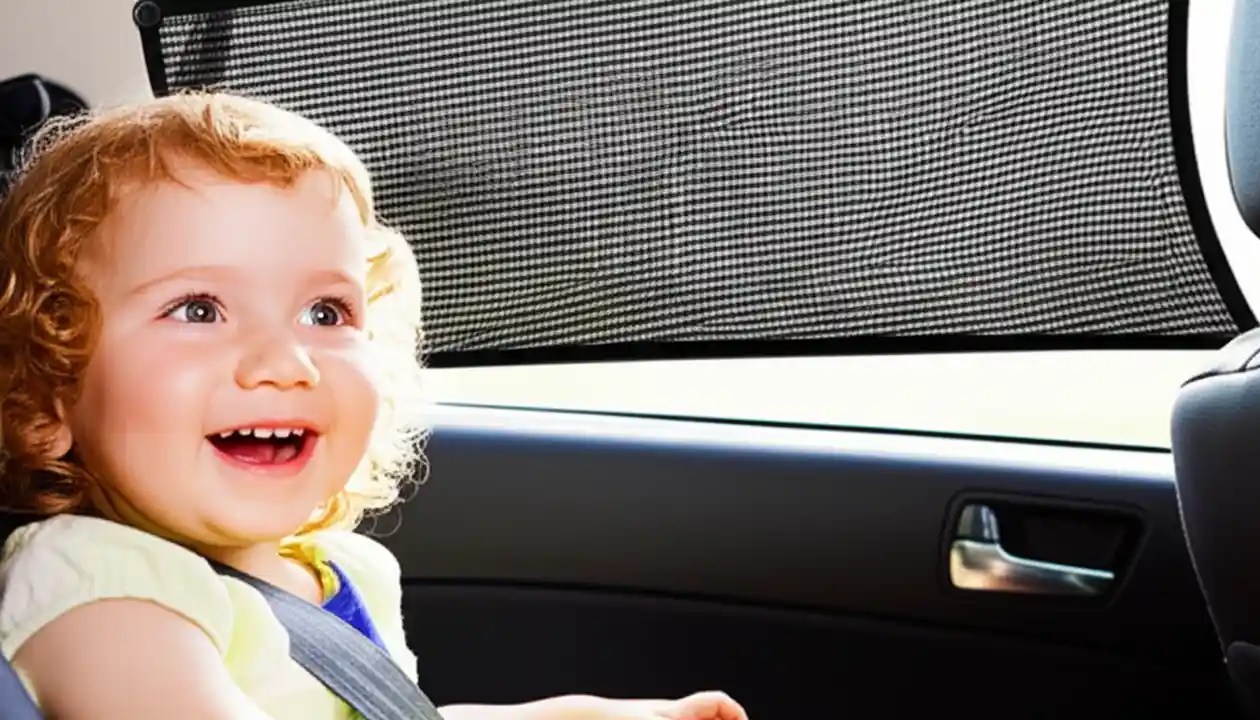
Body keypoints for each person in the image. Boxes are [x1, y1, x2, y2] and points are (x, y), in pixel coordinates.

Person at [0, 91, 748, 720]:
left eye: (324, 313)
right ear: (47, 396)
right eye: (198, 309)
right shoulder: (96, 580)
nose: (284, 362)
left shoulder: (341, 571)